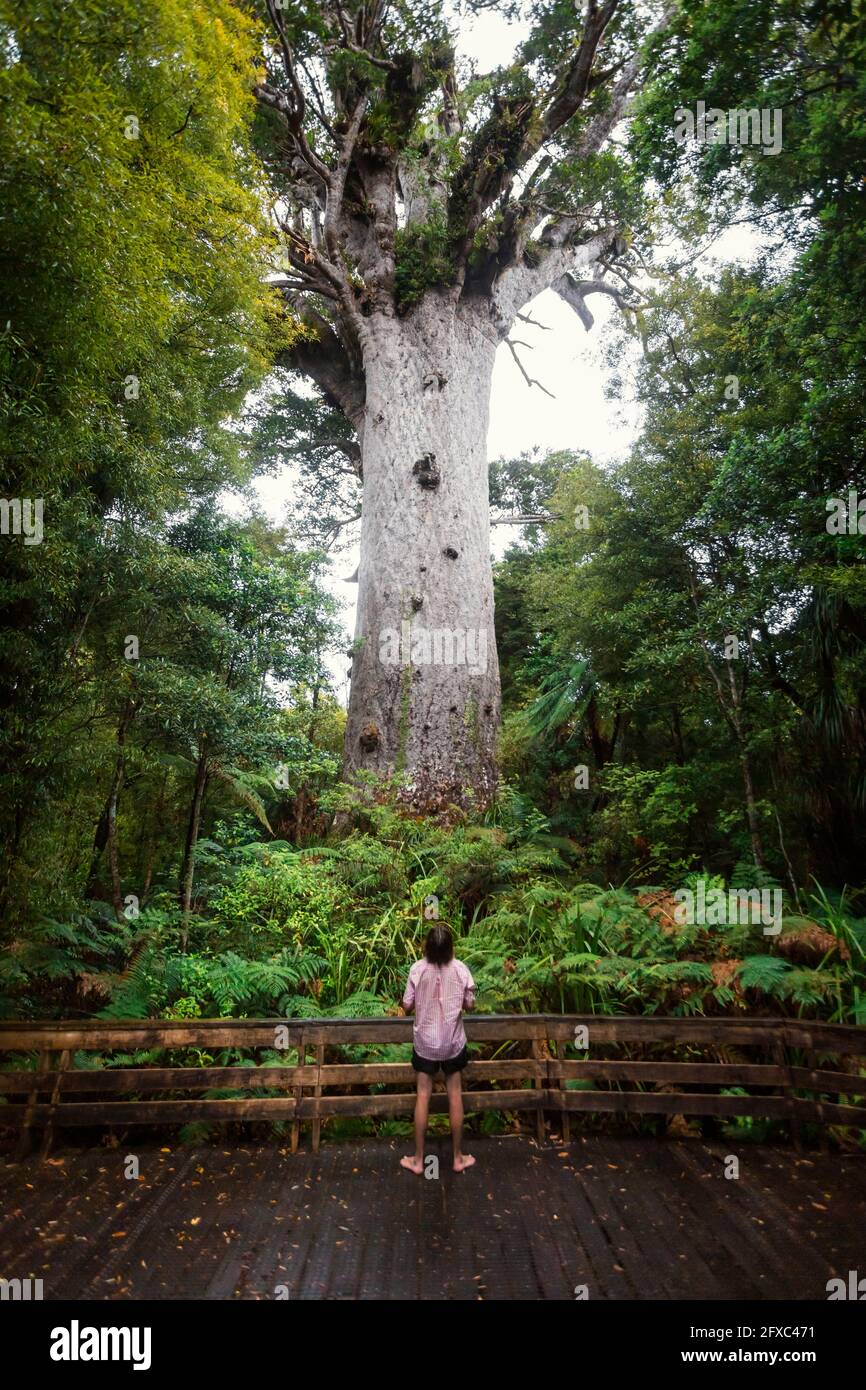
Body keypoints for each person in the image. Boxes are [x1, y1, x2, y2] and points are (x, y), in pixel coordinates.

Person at [399, 924, 476, 1174]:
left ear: (427, 946)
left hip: (426, 1044)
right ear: (450, 947)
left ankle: (419, 1160)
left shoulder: (417, 969)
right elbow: (470, 1004)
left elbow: (407, 1004)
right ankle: (457, 1158)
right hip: (453, 1042)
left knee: (423, 1096)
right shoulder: (461, 969)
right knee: (455, 1095)